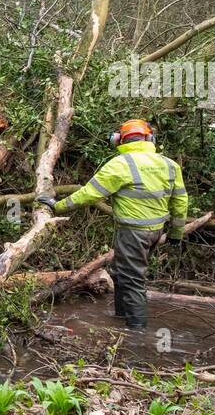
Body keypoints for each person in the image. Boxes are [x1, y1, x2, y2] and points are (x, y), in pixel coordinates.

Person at [36, 119, 189, 329]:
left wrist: (58, 206)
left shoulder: (121, 164)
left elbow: (88, 194)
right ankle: (119, 317)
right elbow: (180, 202)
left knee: (133, 280)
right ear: (149, 138)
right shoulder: (170, 165)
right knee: (120, 273)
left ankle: (137, 335)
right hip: (155, 232)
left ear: (119, 140)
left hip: (133, 232)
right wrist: (176, 233)